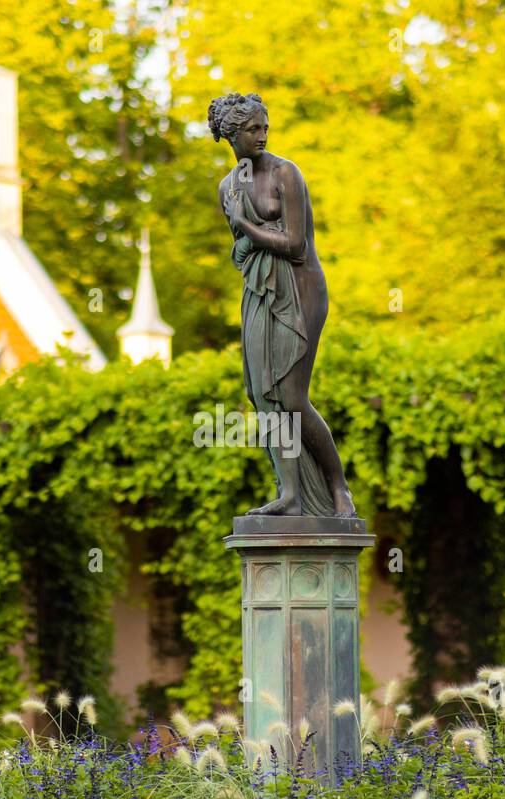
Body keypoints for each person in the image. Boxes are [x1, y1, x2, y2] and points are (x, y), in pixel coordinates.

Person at [210, 92, 357, 518]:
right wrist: (243, 235)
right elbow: (240, 253)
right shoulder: (227, 186)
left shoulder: (285, 173)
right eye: (252, 129)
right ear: (230, 136)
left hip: (302, 287)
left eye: (264, 126)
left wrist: (246, 226)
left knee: (292, 395)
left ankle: (338, 486)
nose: (262, 135)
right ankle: (290, 494)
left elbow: (295, 245)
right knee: (262, 393)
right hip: (261, 289)